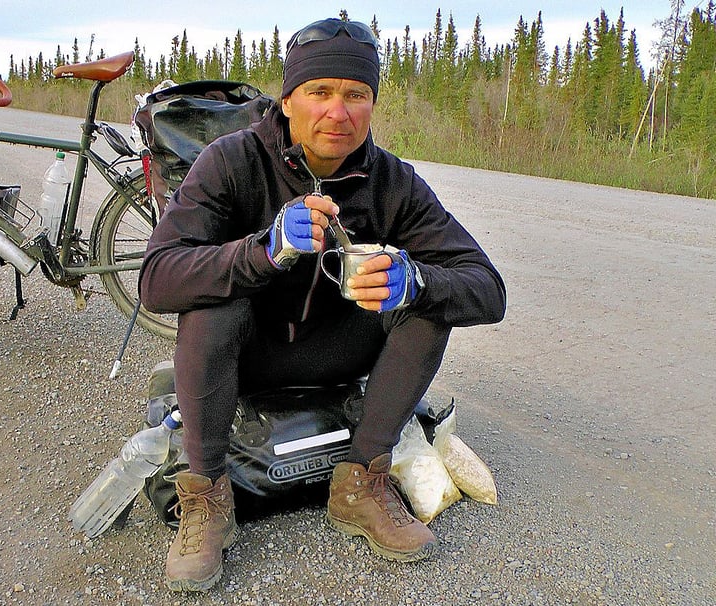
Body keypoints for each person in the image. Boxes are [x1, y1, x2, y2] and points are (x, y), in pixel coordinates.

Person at [139, 17, 506, 593]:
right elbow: (157, 280)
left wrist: (413, 282)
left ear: (373, 104)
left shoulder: (393, 182)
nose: (339, 112)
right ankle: (207, 492)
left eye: (357, 95)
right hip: (249, 359)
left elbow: (488, 289)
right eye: (320, 92)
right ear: (287, 101)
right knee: (212, 301)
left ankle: (361, 481)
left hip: (341, 353)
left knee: (434, 302)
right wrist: (262, 252)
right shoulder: (231, 163)